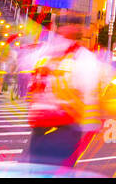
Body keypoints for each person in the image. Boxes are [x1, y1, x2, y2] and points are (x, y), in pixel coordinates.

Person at [21, 17, 110, 167]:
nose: (68, 28)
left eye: (72, 25)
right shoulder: (48, 51)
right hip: (44, 123)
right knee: (47, 169)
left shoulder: (81, 57)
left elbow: (91, 92)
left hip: (65, 124)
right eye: (68, 25)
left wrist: (94, 123)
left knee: (47, 169)